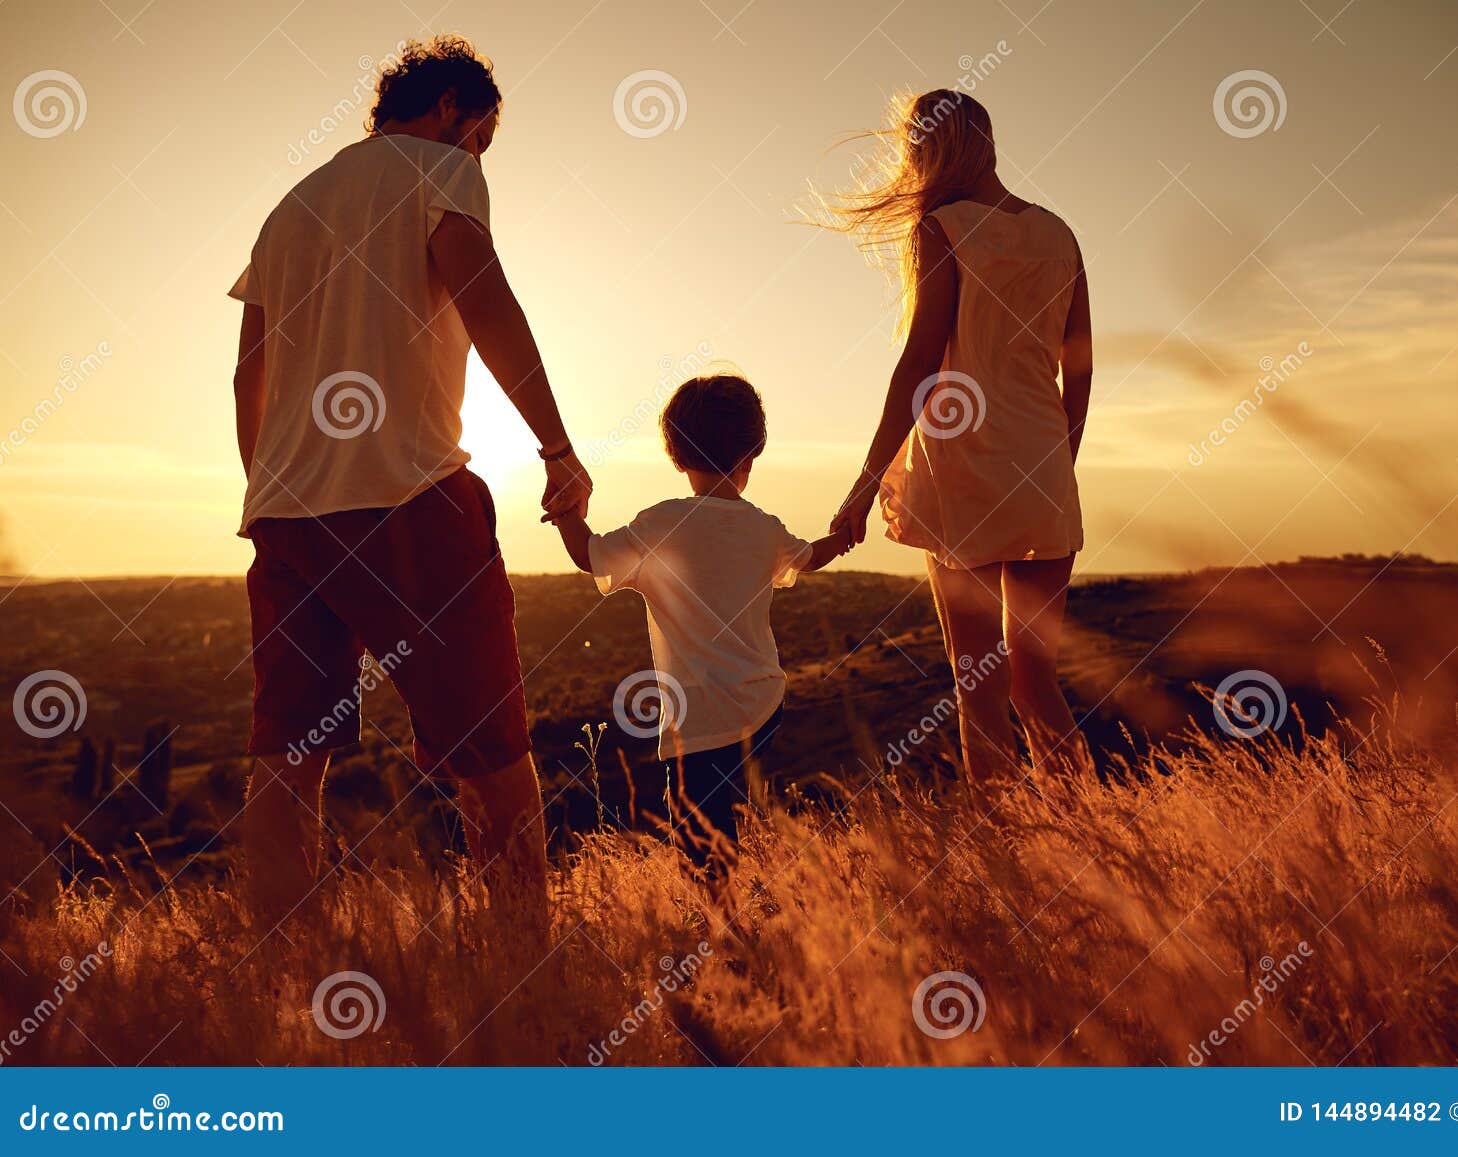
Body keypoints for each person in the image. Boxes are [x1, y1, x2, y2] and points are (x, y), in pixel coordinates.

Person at [228, 36, 590, 928]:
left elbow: (248, 375)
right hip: (409, 498)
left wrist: (273, 483)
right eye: (482, 136)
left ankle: (278, 958)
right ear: (449, 111)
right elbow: (488, 301)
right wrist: (556, 448)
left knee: (286, 750)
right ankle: (518, 954)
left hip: (284, 515)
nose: (479, 156)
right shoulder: (440, 169)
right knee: (492, 745)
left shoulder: (290, 206)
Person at [822, 89, 1093, 784]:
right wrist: (1061, 459)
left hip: (966, 472)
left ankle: (1001, 862)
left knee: (980, 692)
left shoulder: (942, 227)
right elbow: (1080, 365)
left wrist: (864, 481)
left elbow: (918, 364)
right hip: (1045, 469)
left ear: (928, 151)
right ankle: (1098, 839)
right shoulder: (1060, 233)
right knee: (1038, 686)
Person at [549, 374, 851, 870]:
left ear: (676, 455)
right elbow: (811, 556)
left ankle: (725, 925)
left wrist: (566, 512)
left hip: (700, 717)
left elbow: (589, 555)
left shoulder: (659, 525)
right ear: (752, 453)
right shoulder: (762, 526)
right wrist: (845, 532)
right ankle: (750, 895)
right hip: (762, 702)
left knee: (696, 831)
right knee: (724, 807)